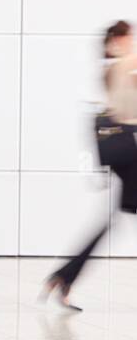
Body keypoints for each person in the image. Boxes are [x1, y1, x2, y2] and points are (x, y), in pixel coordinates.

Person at [42, 21, 137, 310]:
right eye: (128, 37)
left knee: (113, 220)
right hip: (130, 150)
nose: (132, 41)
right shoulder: (126, 66)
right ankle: (64, 276)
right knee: (117, 217)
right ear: (117, 40)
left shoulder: (110, 69)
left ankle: (63, 276)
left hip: (123, 151)